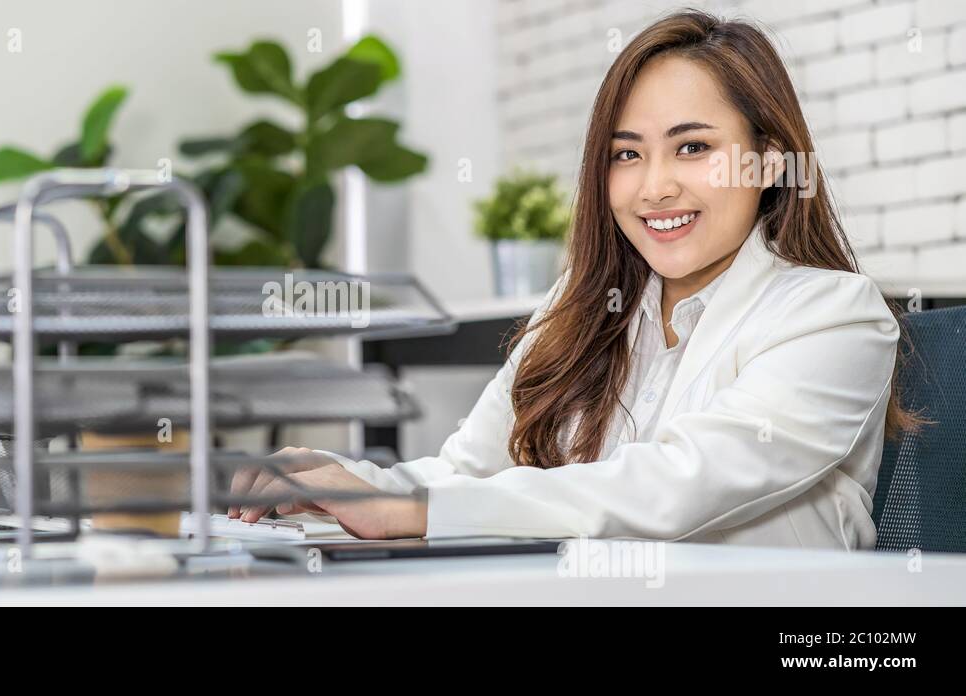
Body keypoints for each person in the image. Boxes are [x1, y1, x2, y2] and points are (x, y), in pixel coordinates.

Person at [228, 9, 921, 549]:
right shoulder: (581, 307)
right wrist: (341, 483)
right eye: (627, 154)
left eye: (693, 147)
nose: (655, 187)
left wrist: (416, 511)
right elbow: (468, 472)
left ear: (769, 162)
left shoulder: (835, 315)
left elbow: (675, 488)